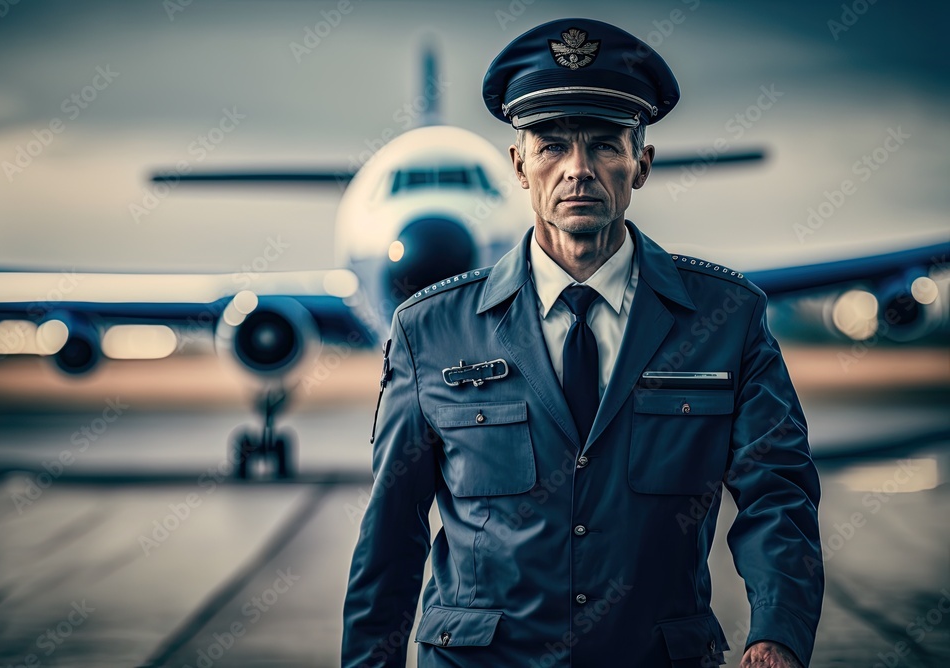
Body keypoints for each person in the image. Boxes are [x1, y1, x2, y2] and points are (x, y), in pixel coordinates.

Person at [342, 17, 823, 668]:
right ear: (519, 166)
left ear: (642, 164)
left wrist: (778, 633)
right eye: (550, 146)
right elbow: (391, 535)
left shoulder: (727, 319)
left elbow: (779, 496)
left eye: (604, 145)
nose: (578, 170)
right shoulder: (427, 328)